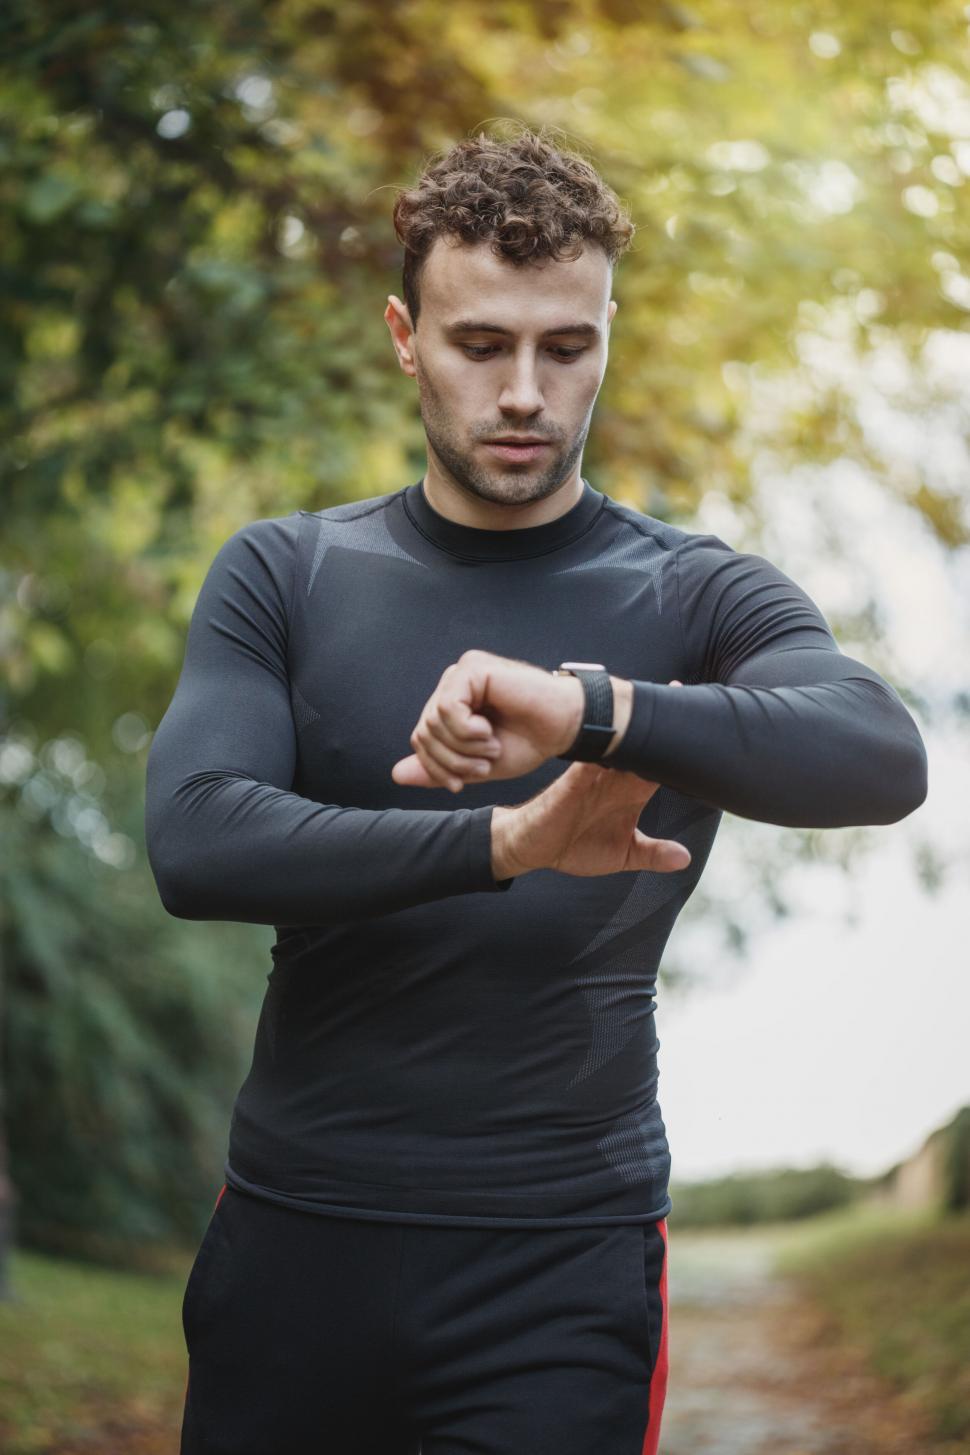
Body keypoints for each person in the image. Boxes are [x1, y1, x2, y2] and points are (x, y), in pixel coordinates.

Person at [145, 124, 928, 1455]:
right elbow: (197, 840)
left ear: (607, 337)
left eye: (566, 348)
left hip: (563, 1264)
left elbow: (876, 754)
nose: (524, 393)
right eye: (480, 345)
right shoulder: (285, 574)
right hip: (293, 1241)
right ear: (406, 338)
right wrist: (507, 841)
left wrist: (589, 710)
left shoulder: (694, 592)